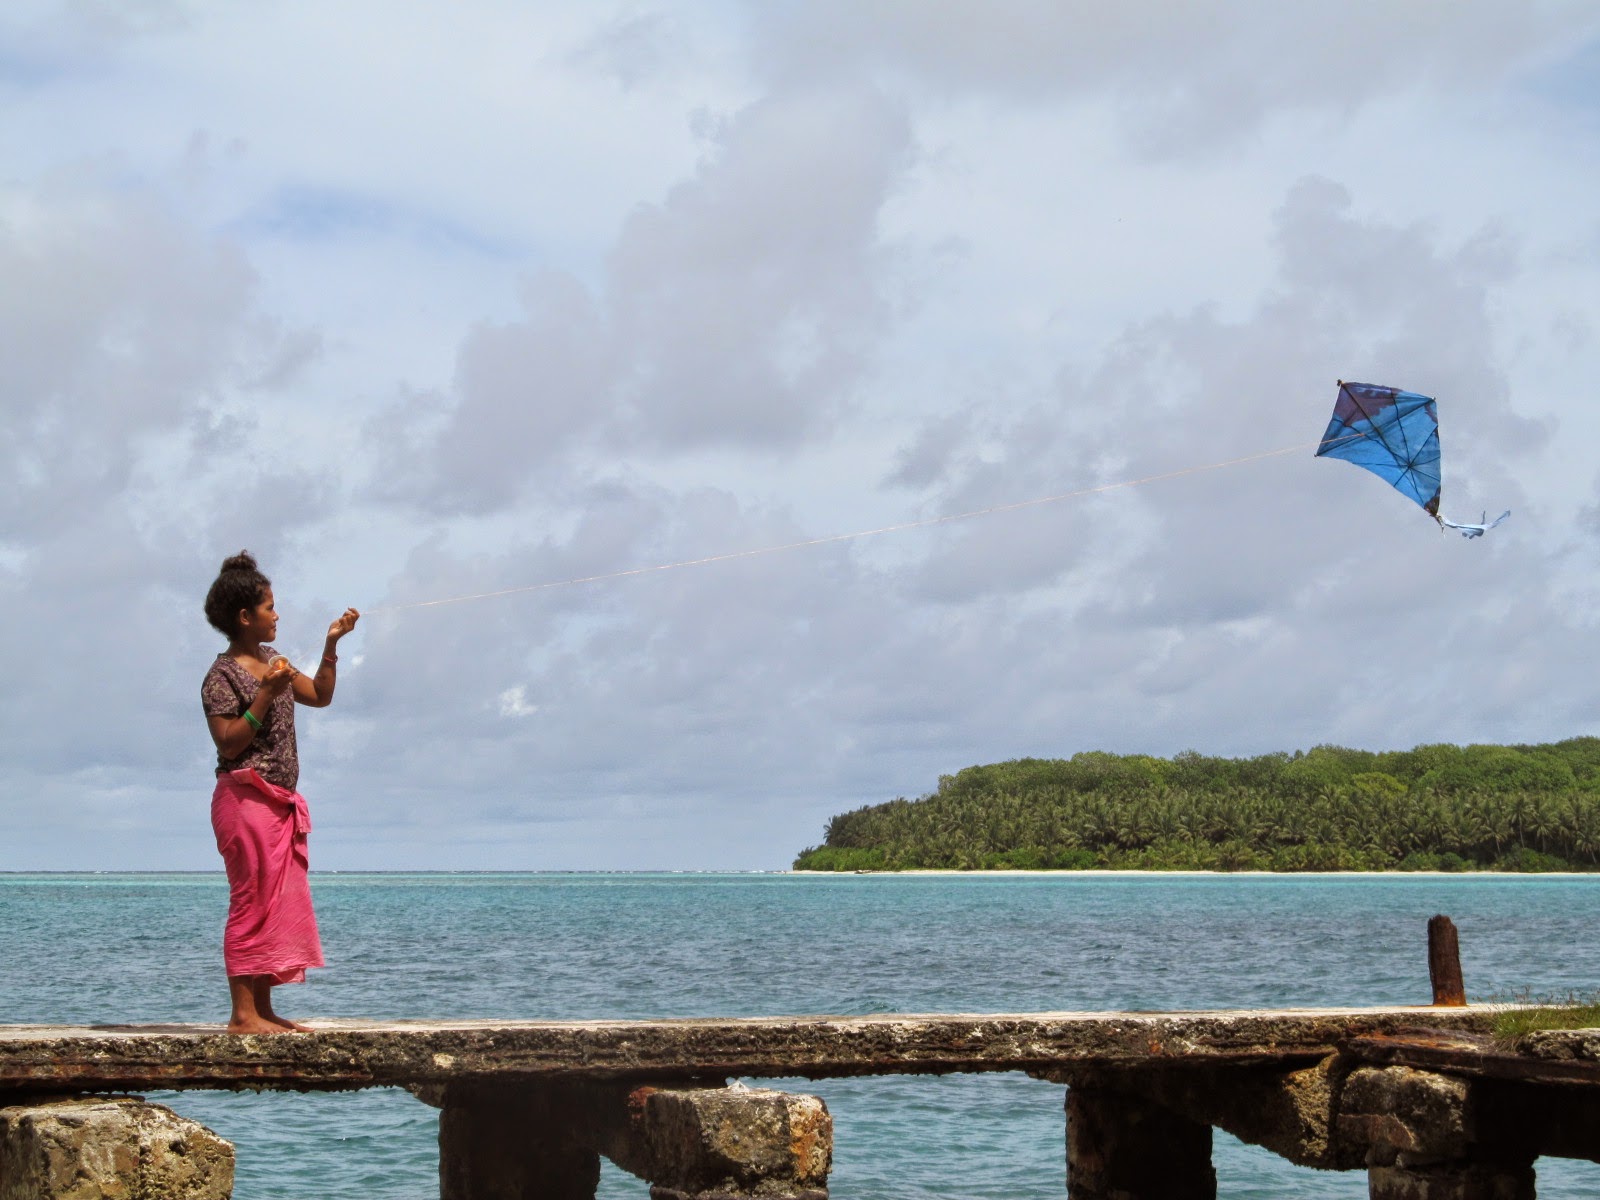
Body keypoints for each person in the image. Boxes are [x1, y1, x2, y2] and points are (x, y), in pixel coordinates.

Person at [201, 551, 358, 1034]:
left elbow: (321, 696)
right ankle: (243, 1015)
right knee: (250, 901)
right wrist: (266, 693)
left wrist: (331, 645)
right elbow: (228, 741)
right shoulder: (221, 676)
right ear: (245, 617)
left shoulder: (275, 661)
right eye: (270, 607)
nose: (277, 615)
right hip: (244, 800)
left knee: (272, 904)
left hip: (277, 803)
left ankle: (264, 1011)